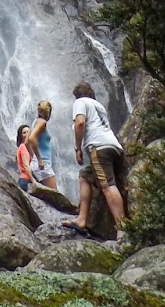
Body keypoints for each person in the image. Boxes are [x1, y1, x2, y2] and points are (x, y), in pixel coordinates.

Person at [71, 80, 128, 236]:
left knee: (107, 185)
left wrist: (78, 147)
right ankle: (82, 218)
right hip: (114, 147)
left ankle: (123, 229)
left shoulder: (80, 102)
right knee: (85, 176)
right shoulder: (98, 106)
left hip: (99, 148)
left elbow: (80, 123)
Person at [27, 100, 59, 190]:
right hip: (43, 164)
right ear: (48, 112)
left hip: (37, 164)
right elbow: (31, 139)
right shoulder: (42, 123)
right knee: (56, 196)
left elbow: (26, 142)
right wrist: (39, 159)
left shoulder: (35, 122)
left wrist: (34, 158)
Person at [15, 125, 35, 191]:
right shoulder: (23, 147)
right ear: (20, 136)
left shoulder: (26, 147)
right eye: (24, 133)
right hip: (26, 180)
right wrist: (33, 180)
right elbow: (26, 165)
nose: (26, 134)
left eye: (28, 132)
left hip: (25, 180)